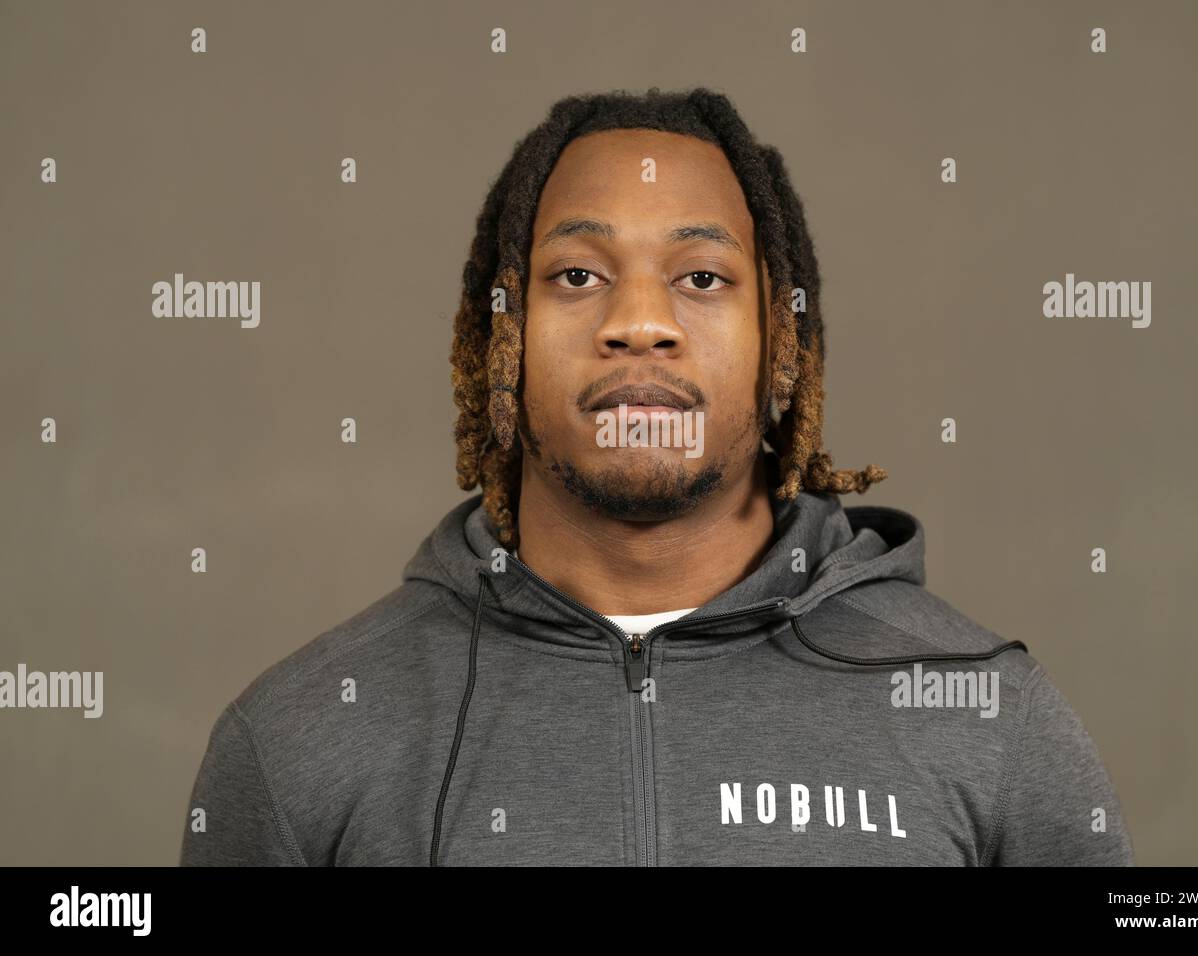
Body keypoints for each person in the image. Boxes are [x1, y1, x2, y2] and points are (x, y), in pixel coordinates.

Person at [180, 87, 1133, 866]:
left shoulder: (985, 712)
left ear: (783, 341)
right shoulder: (299, 742)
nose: (639, 321)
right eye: (578, 276)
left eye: (702, 278)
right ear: (497, 340)